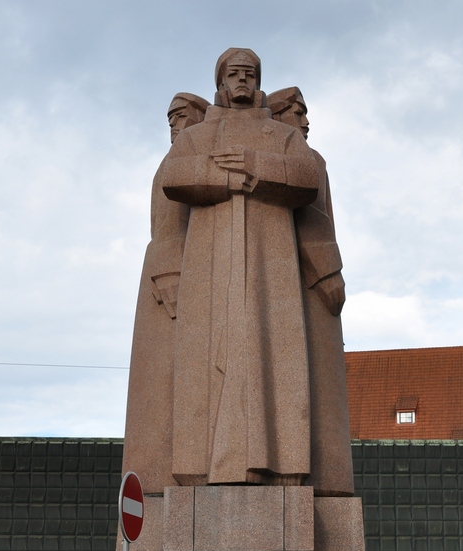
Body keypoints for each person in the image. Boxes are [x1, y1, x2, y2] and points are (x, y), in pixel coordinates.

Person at [159, 48, 325, 488]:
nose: (243, 82)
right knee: (210, 362)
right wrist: (226, 177)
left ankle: (276, 462)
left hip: (274, 274)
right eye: (234, 74)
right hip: (208, 268)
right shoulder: (198, 137)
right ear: (220, 82)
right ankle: (210, 464)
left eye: (250, 75)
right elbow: (173, 178)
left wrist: (254, 167)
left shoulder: (280, 136)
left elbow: (308, 178)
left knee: (270, 359)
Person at [266, 86, 354, 496]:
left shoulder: (306, 160)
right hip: (305, 285)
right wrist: (328, 274)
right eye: (298, 113)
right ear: (281, 117)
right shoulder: (305, 161)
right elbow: (316, 224)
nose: (305, 121)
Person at [120, 91, 210, 491]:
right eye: (171, 119)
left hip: (184, 273)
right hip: (170, 279)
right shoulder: (175, 163)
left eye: (181, 117)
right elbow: (168, 227)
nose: (174, 125)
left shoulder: (188, 160)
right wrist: (169, 274)